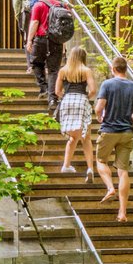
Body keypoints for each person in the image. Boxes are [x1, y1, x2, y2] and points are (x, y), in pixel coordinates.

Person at [94, 55, 133, 222]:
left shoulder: (107, 84)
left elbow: (99, 107)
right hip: (127, 133)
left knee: (101, 160)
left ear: (113, 69)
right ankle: (122, 213)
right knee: (123, 171)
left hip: (109, 130)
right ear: (126, 69)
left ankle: (110, 188)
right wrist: (129, 116)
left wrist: (99, 116)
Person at [53, 47, 98, 179]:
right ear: (83, 57)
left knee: (73, 137)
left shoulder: (63, 71)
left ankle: (66, 165)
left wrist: (66, 97)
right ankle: (90, 168)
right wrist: (85, 97)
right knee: (86, 137)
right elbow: (93, 90)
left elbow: (57, 91)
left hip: (67, 101)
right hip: (81, 101)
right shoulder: (86, 71)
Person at [26, 0, 64, 115]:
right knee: (53, 70)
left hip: (41, 39)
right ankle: (52, 100)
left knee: (36, 63)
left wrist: (29, 40)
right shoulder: (62, 6)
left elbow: (35, 23)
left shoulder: (39, 5)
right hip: (57, 41)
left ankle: (44, 88)